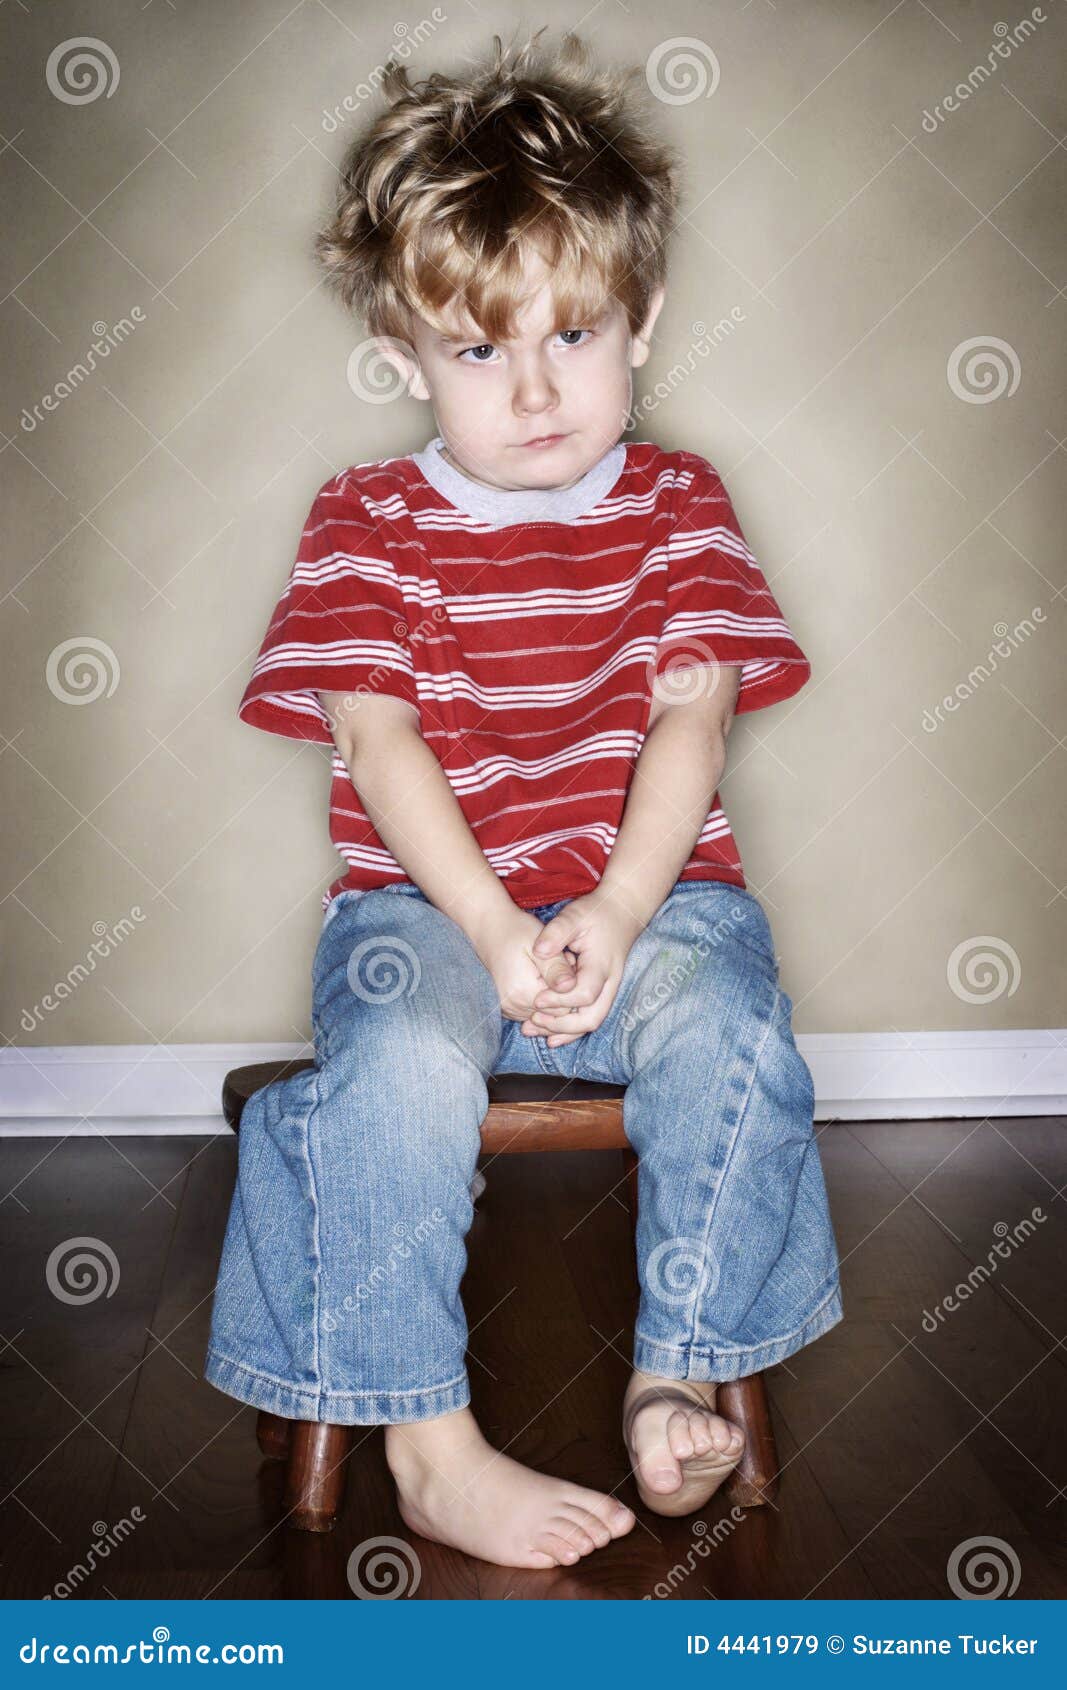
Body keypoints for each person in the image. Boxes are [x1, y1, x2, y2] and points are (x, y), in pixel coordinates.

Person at [204, 27, 843, 1572]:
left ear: (645, 316)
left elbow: (693, 717)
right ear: (405, 348)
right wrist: (492, 926)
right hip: (426, 912)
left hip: (653, 895)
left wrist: (621, 908)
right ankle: (425, 1444)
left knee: (733, 1031)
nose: (538, 387)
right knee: (397, 1066)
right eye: (481, 349)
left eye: (576, 334)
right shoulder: (367, 519)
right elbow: (379, 739)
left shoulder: (681, 504)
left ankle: (674, 1374)